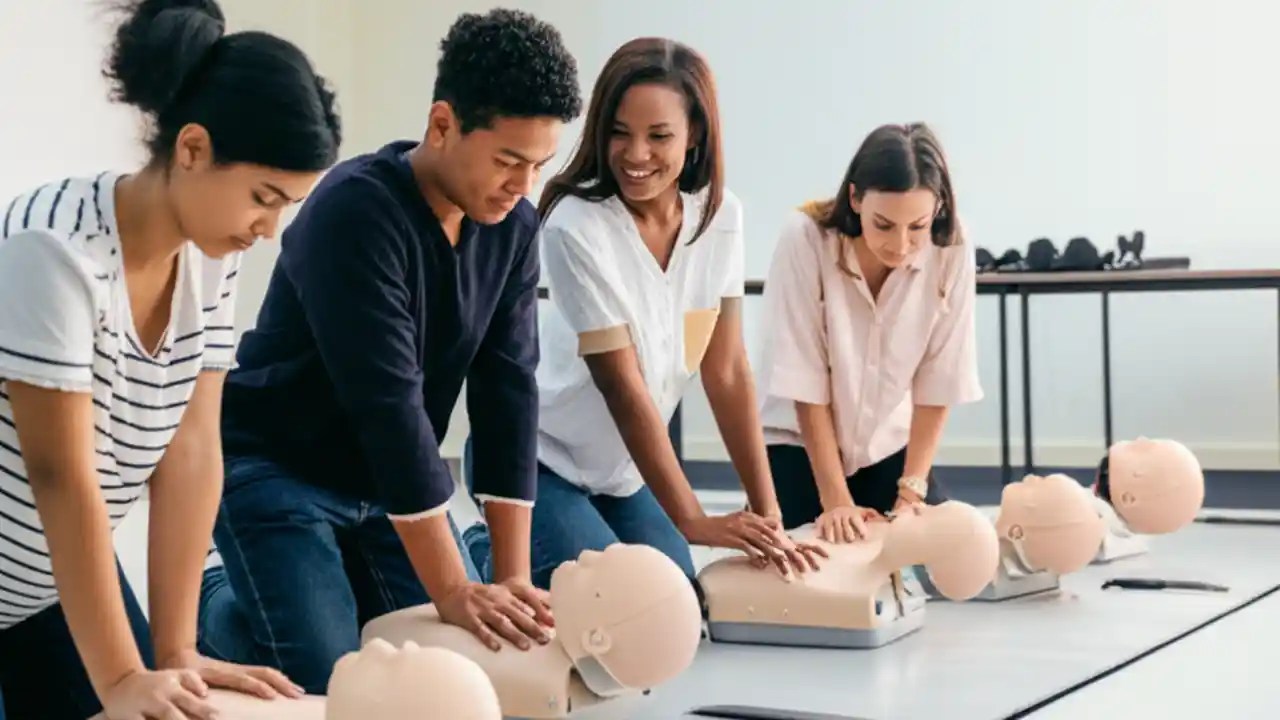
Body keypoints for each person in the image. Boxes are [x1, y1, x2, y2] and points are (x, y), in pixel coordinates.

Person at [193, 8, 583, 694]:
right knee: (335, 677)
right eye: (508, 160)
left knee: (448, 663)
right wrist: (456, 590)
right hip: (275, 468)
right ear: (442, 125)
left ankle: (312, 580)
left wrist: (512, 580)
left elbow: (509, 394)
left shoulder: (514, 227)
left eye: (538, 165)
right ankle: (219, 601)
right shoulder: (354, 210)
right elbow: (389, 406)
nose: (523, 185)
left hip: (385, 490)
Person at [0, 0, 341, 717]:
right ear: (192, 149)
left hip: (42, 588)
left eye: (288, 205)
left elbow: (190, 452)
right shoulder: (54, 250)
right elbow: (62, 476)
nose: (270, 229)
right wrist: (123, 677)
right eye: (263, 197)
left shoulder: (209, 256)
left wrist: (175, 651)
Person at [463, 37, 823, 592]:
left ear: (695, 135)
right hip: (538, 461)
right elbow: (622, 386)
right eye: (619, 133)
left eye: (659, 137)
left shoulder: (722, 217)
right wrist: (691, 517)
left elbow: (726, 371)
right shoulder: (573, 225)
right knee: (621, 600)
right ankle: (488, 547)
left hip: (622, 474)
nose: (636, 155)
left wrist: (766, 510)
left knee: (681, 596)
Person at [756, 122, 983, 543]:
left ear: (937, 208)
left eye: (917, 226)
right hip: (798, 448)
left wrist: (911, 491)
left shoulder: (952, 245)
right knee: (816, 566)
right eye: (883, 225)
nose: (900, 244)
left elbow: (939, 379)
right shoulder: (805, 237)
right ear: (855, 198)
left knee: (949, 552)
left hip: (885, 447)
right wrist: (836, 501)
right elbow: (805, 381)